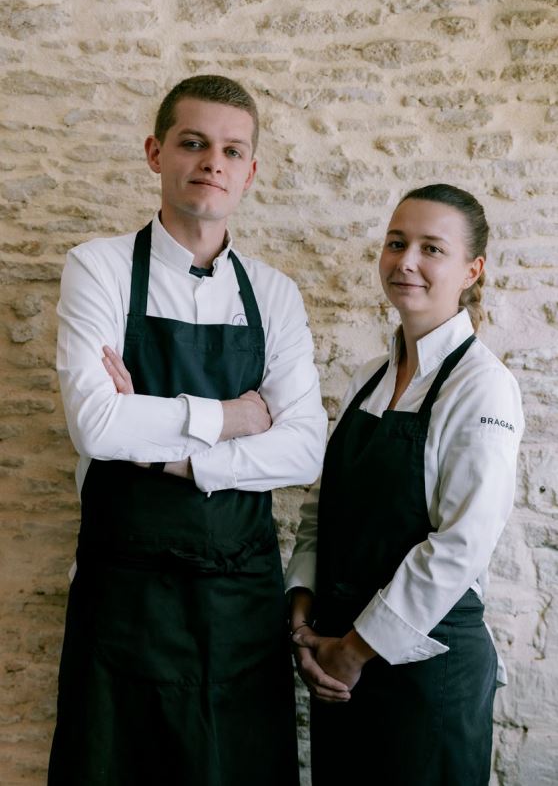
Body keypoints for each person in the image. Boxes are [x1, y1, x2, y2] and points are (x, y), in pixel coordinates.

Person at [49, 74, 327, 786]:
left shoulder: (274, 293)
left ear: (250, 172)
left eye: (232, 150)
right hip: (125, 597)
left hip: (239, 602)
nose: (213, 161)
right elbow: (98, 424)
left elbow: (302, 446)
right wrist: (232, 418)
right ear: (155, 152)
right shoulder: (99, 267)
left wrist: (174, 456)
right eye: (194, 143)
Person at [285, 183, 524, 786]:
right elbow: (322, 512)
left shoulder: (483, 386)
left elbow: (460, 545)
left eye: (430, 248)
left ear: (472, 270)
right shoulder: (369, 377)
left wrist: (354, 649)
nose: (406, 261)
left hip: (423, 674)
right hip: (338, 665)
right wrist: (302, 615)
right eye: (396, 243)